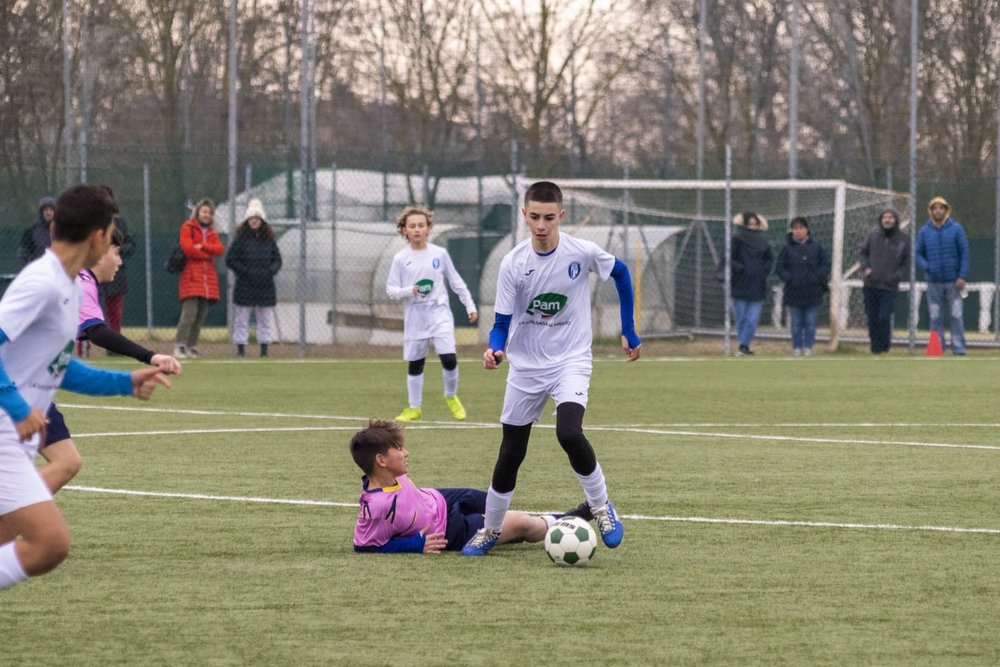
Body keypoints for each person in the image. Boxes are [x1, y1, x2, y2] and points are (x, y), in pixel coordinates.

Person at [0, 184, 171, 593]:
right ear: (98, 235)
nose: (114, 242)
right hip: (6, 431)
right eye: (112, 233)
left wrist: (125, 382)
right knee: (50, 543)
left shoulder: (70, 287)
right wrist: (20, 409)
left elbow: (59, 368)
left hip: (17, 436)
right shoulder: (41, 282)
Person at [462, 181, 641, 557]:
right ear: (524, 215)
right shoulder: (513, 263)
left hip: (570, 360)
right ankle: (491, 530)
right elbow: (501, 323)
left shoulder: (581, 252)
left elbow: (622, 274)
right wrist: (494, 350)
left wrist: (628, 329)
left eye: (548, 218)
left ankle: (601, 506)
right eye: (533, 217)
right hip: (526, 366)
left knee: (569, 433)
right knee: (511, 451)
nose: (541, 225)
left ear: (561, 216)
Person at [350, 418, 591, 554]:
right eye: (399, 449)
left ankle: (512, 532)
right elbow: (364, 546)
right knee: (521, 522)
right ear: (381, 461)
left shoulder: (390, 475)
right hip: (450, 529)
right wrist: (415, 544)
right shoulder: (377, 506)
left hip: (442, 499)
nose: (406, 453)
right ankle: (579, 516)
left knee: (496, 501)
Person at [385, 205, 477, 422]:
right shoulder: (400, 258)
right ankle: (414, 408)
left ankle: (451, 396)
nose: (417, 229)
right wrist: (410, 290)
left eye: (421, 225)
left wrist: (470, 305)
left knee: (449, 358)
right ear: (404, 230)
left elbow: (455, 281)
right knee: (416, 363)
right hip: (415, 317)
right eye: (412, 226)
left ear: (428, 229)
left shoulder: (440, 254)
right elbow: (391, 290)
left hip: (439, 314)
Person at [225, 198, 282, 358]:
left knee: (264, 318)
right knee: (241, 318)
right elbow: (231, 260)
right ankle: (240, 350)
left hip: (265, 285)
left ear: (262, 220)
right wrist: (245, 272)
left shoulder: (269, 240)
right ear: (247, 220)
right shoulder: (240, 240)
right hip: (245, 285)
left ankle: (264, 350)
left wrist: (269, 271)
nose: (254, 221)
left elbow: (277, 260)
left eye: (257, 218)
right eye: (251, 218)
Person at [916, 197, 970, 355]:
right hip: (934, 283)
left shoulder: (956, 229)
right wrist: (928, 267)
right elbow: (918, 253)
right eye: (935, 208)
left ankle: (959, 349)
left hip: (954, 282)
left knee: (956, 315)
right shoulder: (924, 231)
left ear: (946, 210)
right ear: (931, 211)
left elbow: (964, 253)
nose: (938, 211)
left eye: (941, 208)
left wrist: (962, 276)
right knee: (935, 317)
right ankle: (937, 349)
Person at [174, 198, 224, 359]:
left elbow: (219, 250)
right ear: (197, 212)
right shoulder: (188, 228)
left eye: (209, 213)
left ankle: (192, 346)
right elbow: (188, 248)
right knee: (189, 314)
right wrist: (206, 254)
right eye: (204, 212)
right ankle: (179, 346)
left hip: (207, 280)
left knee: (200, 315)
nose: (206, 215)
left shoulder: (212, 232)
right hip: (191, 277)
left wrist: (203, 246)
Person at [775, 217, 829, 356]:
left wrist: (817, 277)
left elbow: (825, 265)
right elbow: (780, 268)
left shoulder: (816, 247)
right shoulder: (787, 249)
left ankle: (808, 347)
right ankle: (797, 347)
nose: (798, 231)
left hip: (812, 291)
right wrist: (790, 278)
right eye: (795, 228)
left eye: (801, 228)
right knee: (796, 322)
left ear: (807, 230)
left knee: (810, 322)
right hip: (794, 291)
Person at [858, 209, 910, 354]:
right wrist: (866, 268)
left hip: (889, 286)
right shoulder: (873, 235)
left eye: (890, 217)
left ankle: (884, 347)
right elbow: (862, 252)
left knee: (884, 317)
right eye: (885, 217)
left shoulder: (904, 239)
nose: (887, 220)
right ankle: (875, 349)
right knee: (872, 318)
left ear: (896, 220)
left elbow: (906, 263)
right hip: (871, 284)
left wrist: (896, 276)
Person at [727, 212, 774, 356]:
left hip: (757, 284)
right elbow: (730, 258)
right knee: (741, 318)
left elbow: (769, 260)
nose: (753, 227)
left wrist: (762, 271)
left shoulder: (764, 241)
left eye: (755, 224)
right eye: (750, 224)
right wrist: (740, 269)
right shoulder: (736, 239)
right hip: (740, 284)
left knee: (752, 319)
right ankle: (743, 345)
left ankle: (744, 345)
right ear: (744, 224)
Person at [98, 195, 136, 333]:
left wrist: (115, 250)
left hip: (116, 275)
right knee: (88, 312)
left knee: (115, 313)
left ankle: (114, 348)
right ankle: (83, 348)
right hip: (95, 274)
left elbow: (130, 246)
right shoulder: (90, 225)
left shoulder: (120, 224)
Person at [16, 196, 56, 269]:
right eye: (46, 210)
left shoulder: (64, 230)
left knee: (82, 278)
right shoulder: (32, 231)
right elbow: (23, 254)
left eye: (51, 210)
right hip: (41, 270)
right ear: (41, 212)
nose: (48, 212)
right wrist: (28, 271)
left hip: (62, 270)